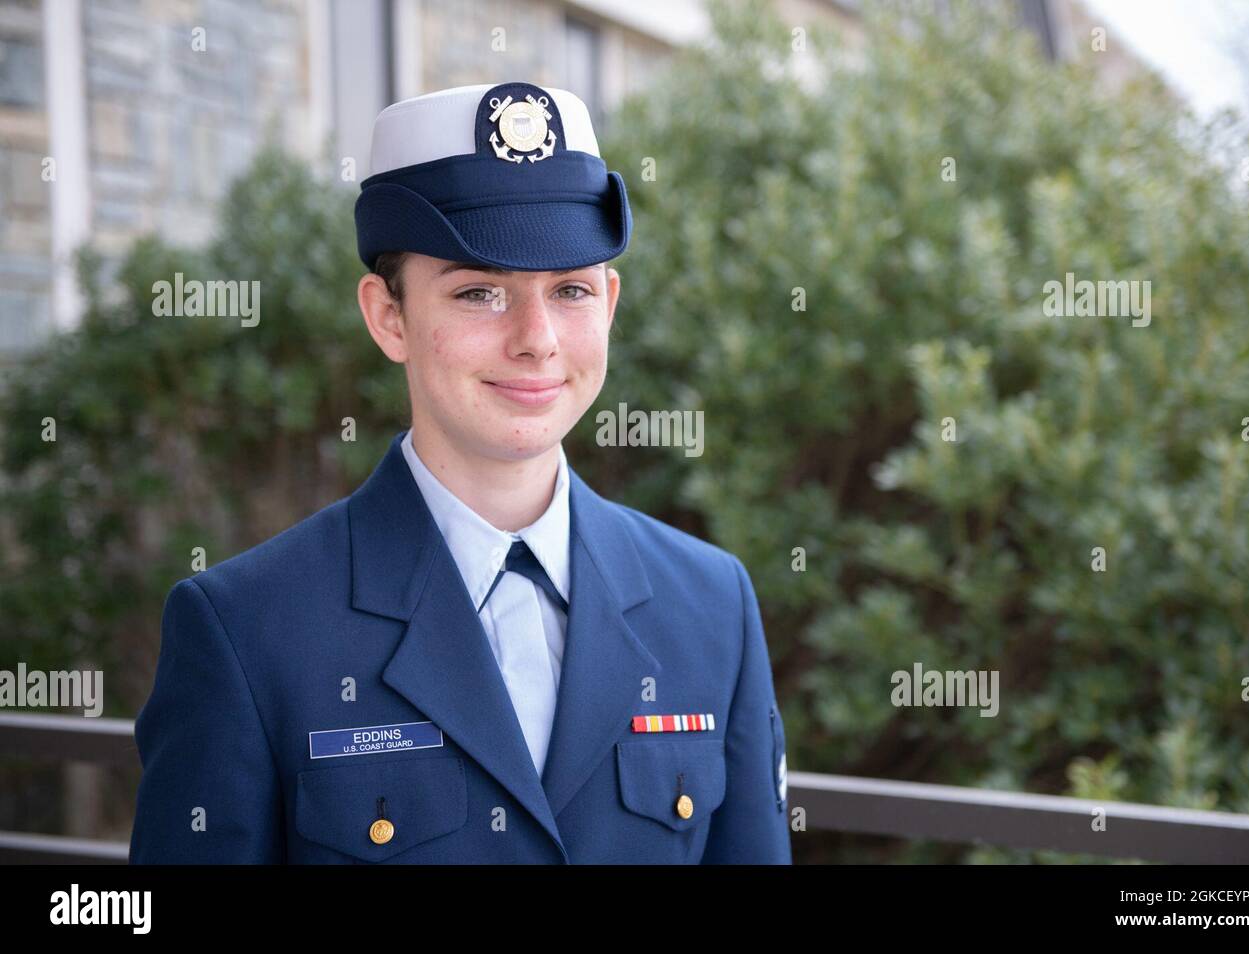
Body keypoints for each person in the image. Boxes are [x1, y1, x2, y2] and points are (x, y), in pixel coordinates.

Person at [129, 81, 791, 864]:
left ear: (609, 305)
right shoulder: (247, 630)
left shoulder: (710, 604)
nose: (537, 339)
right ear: (389, 316)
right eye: (480, 292)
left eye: (570, 289)